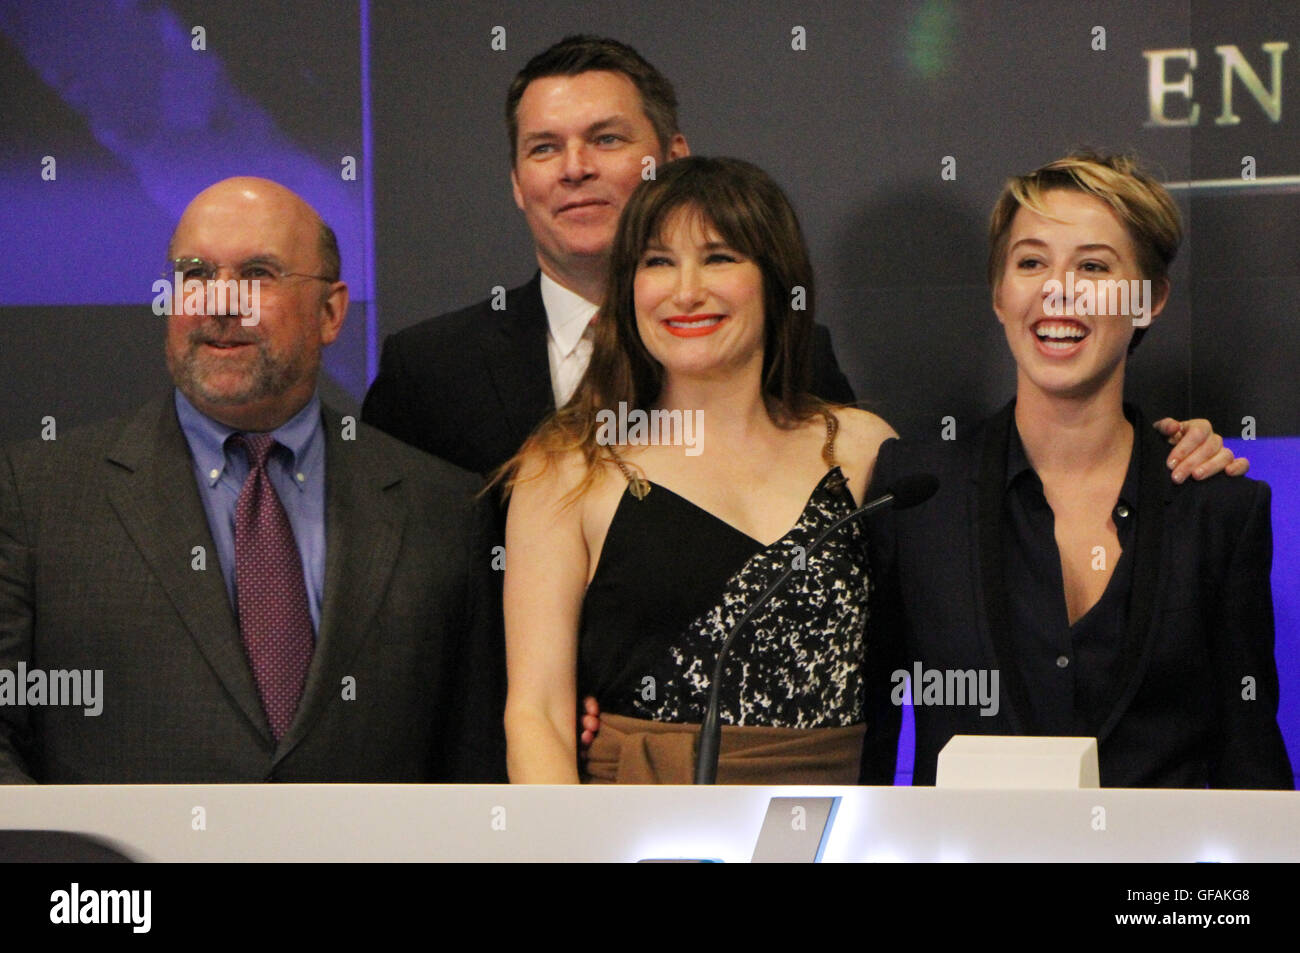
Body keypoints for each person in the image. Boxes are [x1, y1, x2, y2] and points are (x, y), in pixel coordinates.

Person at [0, 177, 505, 783]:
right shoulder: (37, 496)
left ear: (331, 311)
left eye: (258, 274)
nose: (219, 302)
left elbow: (473, 763)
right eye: (194, 274)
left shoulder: (444, 508)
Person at [862, 152, 1292, 788]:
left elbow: (1250, 763)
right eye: (1031, 262)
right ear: (999, 294)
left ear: (1149, 300)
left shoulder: (1218, 509)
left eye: (1093, 265)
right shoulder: (916, 494)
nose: (1057, 289)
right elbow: (869, 743)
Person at [501, 156, 895, 784]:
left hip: (834, 829)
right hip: (636, 828)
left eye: (718, 257)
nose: (686, 291)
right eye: (657, 262)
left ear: (776, 280)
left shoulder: (862, 448)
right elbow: (538, 715)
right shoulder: (568, 467)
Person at [361, 35, 854, 478]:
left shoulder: (786, 350)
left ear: (674, 159)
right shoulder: (429, 371)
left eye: (607, 139)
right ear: (516, 182)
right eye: (544, 148)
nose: (574, 169)